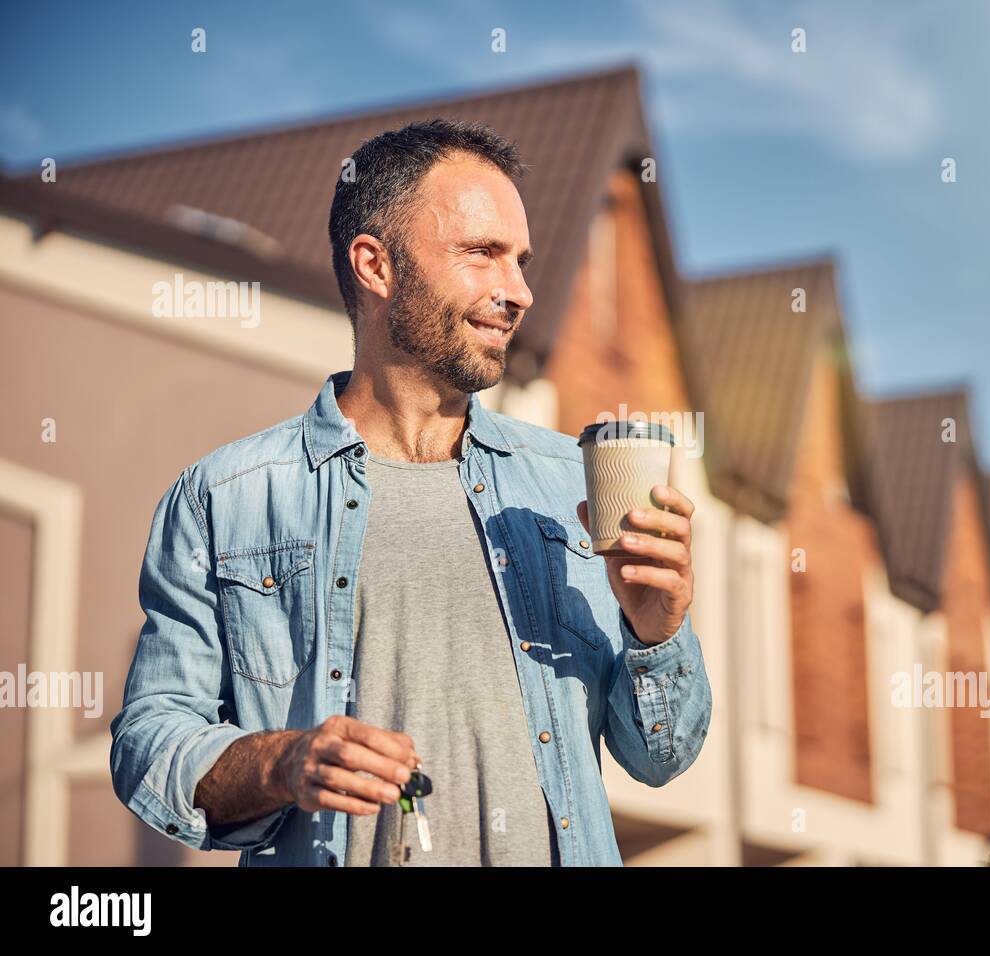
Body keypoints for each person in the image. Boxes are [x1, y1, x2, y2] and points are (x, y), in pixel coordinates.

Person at [108, 118, 712, 867]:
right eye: (483, 254)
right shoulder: (222, 499)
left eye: (521, 261)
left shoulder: (570, 485)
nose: (518, 291)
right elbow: (149, 742)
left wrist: (658, 633)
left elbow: (661, 757)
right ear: (375, 265)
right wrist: (283, 762)